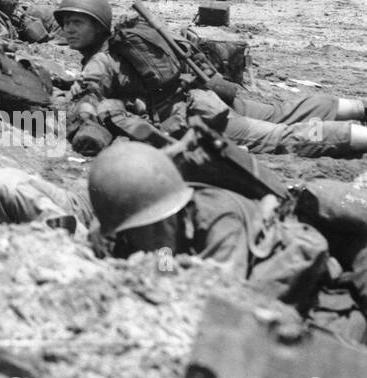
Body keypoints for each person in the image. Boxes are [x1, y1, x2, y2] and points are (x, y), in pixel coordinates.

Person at [87, 143, 366, 336]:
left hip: (306, 291)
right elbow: (160, 256)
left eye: (156, 224)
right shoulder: (136, 221)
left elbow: (221, 300)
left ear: (174, 208)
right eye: (139, 229)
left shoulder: (219, 217)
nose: (149, 236)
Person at [56, 0, 367, 159]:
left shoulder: (100, 61)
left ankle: (359, 135)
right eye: (66, 22)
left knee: (280, 138)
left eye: (77, 23)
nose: (69, 29)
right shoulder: (123, 45)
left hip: (201, 116)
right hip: (204, 96)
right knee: (283, 112)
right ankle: (357, 108)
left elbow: (88, 92)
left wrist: (80, 113)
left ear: (98, 25)